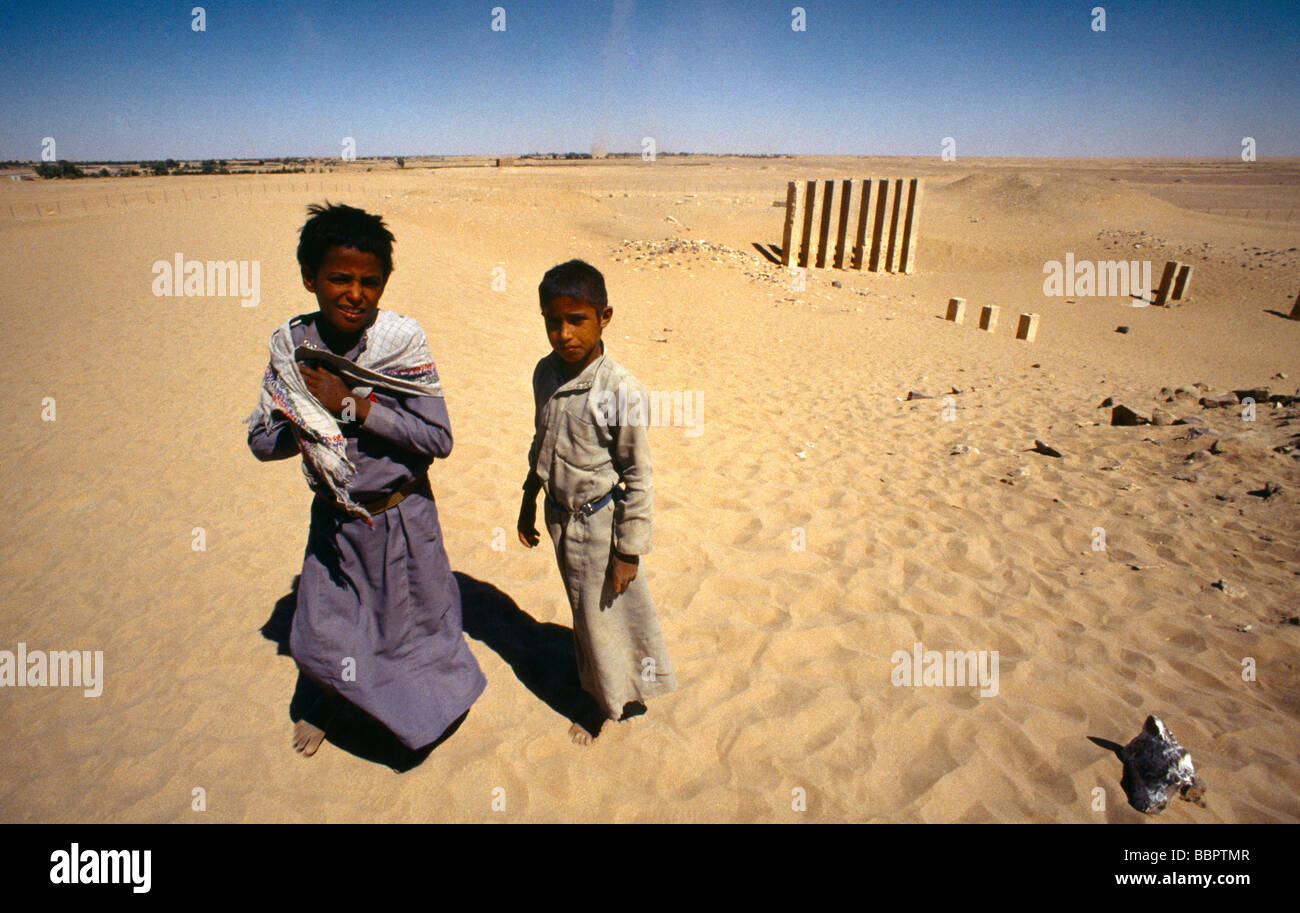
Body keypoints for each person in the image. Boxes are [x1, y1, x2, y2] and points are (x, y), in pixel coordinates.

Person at [246, 202, 484, 759]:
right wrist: (303, 416)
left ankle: (426, 712)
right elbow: (261, 443)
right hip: (334, 518)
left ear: (385, 284)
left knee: (412, 632)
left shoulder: (400, 343)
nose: (355, 293)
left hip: (402, 517)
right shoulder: (291, 348)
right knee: (324, 629)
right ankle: (331, 701)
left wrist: (350, 405)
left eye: (369, 282)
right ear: (310, 277)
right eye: (339, 278)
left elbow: (437, 439)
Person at [518, 259, 677, 745]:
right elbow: (542, 441)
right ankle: (602, 681)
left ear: (604, 317)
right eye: (552, 321)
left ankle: (602, 705)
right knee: (585, 611)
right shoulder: (545, 373)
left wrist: (629, 549)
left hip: (600, 525)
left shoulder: (619, 389)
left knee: (603, 615)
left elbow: (638, 475)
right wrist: (529, 498)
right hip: (560, 518)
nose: (563, 334)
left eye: (576, 320)